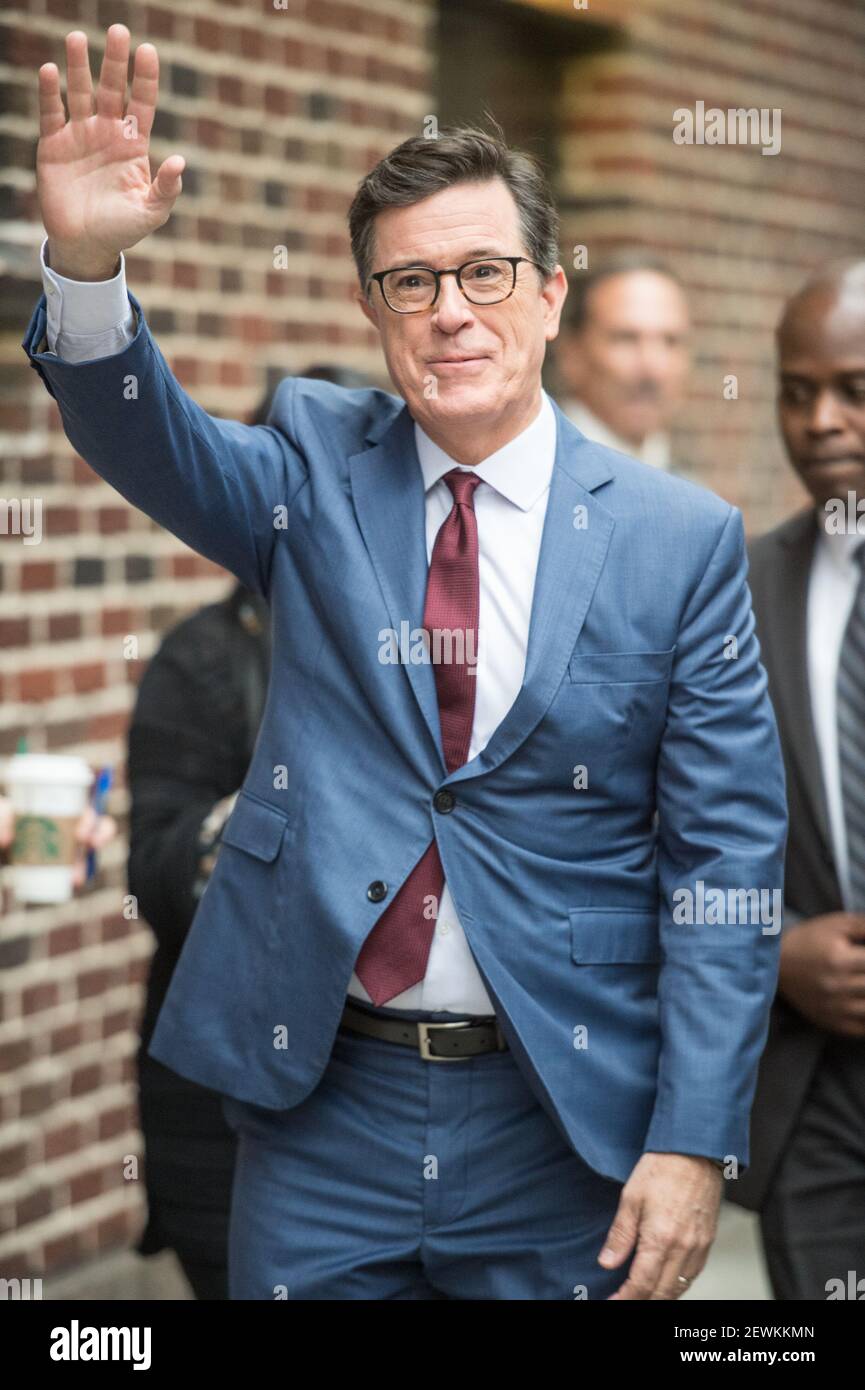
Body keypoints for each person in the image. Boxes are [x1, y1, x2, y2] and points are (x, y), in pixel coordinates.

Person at [23, 25, 787, 1301]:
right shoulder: (314, 467)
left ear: (551, 294)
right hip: (327, 1106)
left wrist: (691, 1135)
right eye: (409, 284)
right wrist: (90, 265)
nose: (449, 314)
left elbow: (724, 858)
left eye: (484, 274)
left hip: (563, 1113)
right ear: (371, 308)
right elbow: (142, 433)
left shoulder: (679, 542)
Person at [130, 370, 374, 1301]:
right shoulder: (201, 656)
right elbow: (154, 876)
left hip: (393, 1109)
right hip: (223, 1110)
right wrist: (278, 810)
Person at [725, 261, 865, 1299]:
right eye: (794, 388)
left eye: (853, 389)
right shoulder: (738, 584)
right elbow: (660, 824)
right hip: (810, 1086)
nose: (820, 420)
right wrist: (771, 947)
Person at [554, 252, 692, 471]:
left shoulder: (696, 495)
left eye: (670, 341)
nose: (652, 368)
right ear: (572, 354)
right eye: (626, 339)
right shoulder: (536, 478)